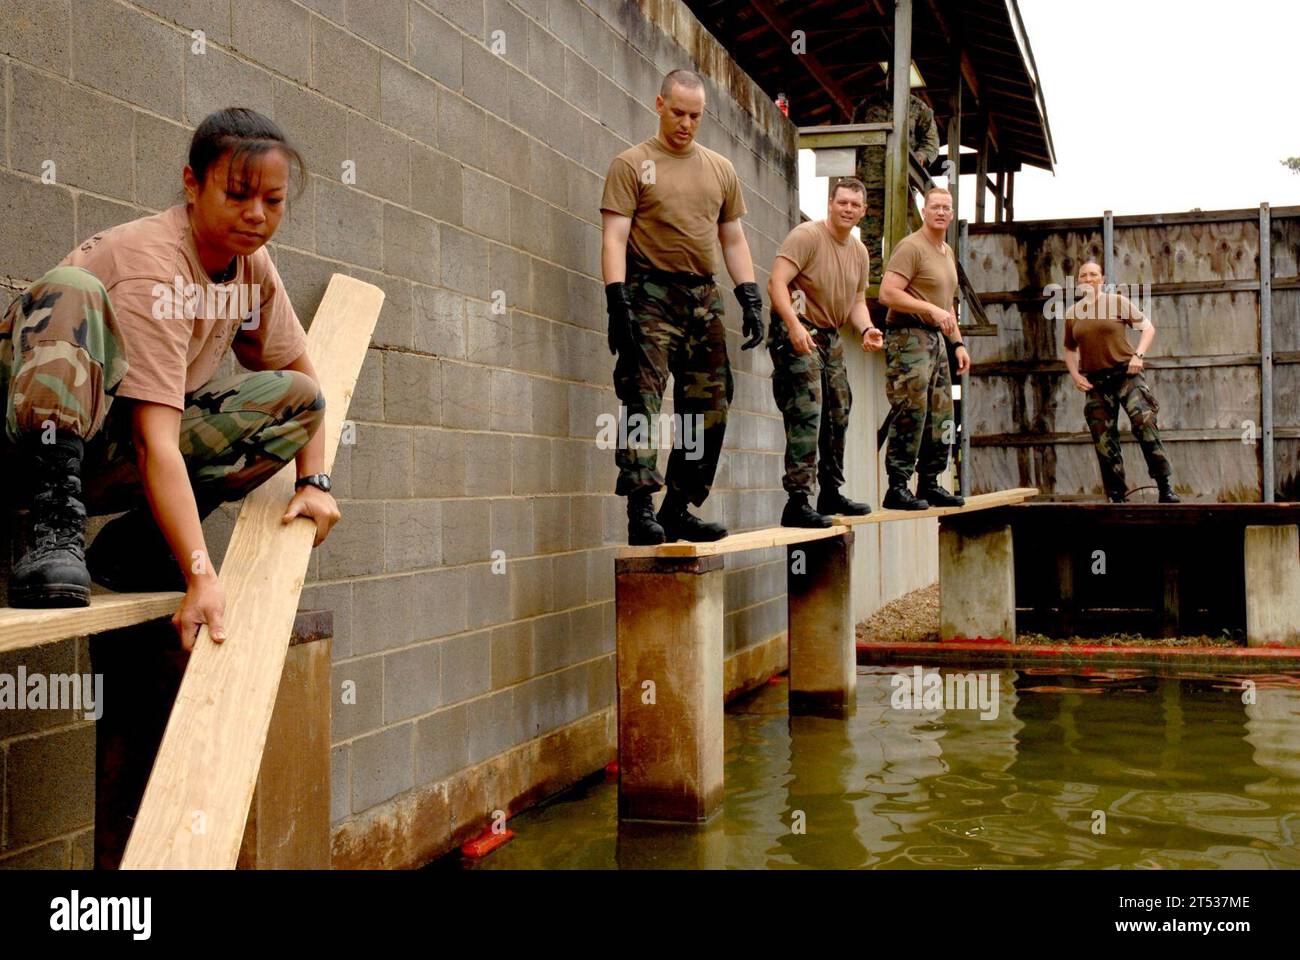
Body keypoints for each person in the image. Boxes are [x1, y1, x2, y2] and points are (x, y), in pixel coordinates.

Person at [0, 107, 340, 648]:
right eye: (237, 194)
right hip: (23, 445)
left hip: (103, 447)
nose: (256, 215)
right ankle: (54, 530)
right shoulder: (154, 266)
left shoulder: (249, 263)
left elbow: (304, 378)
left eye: (273, 201)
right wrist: (201, 575)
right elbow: (152, 441)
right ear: (191, 184)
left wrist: (313, 483)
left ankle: (137, 551)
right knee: (71, 286)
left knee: (297, 402)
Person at [600, 69, 765, 545]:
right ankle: (640, 508)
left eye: (695, 116)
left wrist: (749, 295)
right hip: (649, 293)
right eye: (678, 113)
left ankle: (677, 507)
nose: (686, 124)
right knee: (643, 399)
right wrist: (616, 299)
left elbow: (732, 238)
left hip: (703, 298)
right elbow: (614, 237)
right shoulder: (632, 164)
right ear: (659, 105)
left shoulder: (720, 169)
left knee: (708, 405)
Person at [768, 177, 883, 528]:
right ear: (830, 204)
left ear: (863, 211)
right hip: (798, 326)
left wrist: (867, 328)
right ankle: (798, 500)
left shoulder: (859, 252)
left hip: (830, 336)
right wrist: (793, 325)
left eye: (855, 205)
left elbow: (858, 301)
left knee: (838, 410)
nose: (848, 209)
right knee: (808, 407)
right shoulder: (807, 236)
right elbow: (776, 283)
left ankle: (830, 492)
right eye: (842, 202)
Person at [876, 186, 969, 510]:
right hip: (908, 335)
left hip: (937, 339)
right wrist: (930, 309)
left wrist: (957, 343)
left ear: (952, 214)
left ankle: (930, 482)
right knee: (911, 410)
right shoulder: (911, 247)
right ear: (925, 211)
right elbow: (888, 293)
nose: (941, 212)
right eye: (935, 207)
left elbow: (945, 304)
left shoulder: (947, 252)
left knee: (943, 415)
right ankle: (897, 485)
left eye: (946, 208)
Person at [1064, 261, 1179, 503]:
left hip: (1126, 374)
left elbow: (1148, 328)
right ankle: (1116, 495)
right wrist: (1075, 375)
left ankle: (1165, 486)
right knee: (1103, 437)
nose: (1088, 279)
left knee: (1144, 422)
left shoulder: (1117, 302)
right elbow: (1069, 348)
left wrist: (1138, 356)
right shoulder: (1073, 313)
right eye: (1083, 276)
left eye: (1093, 274)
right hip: (1096, 383)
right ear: (1078, 281)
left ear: (1102, 279)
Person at [853, 74, 940, 285]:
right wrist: (850, 176)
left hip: (903, 183)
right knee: (870, 236)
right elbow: (853, 140)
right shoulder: (867, 106)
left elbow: (931, 142)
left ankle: (900, 281)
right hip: (871, 183)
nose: (893, 82)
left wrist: (920, 157)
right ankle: (871, 282)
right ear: (885, 80)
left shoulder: (918, 108)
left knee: (904, 237)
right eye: (890, 78)